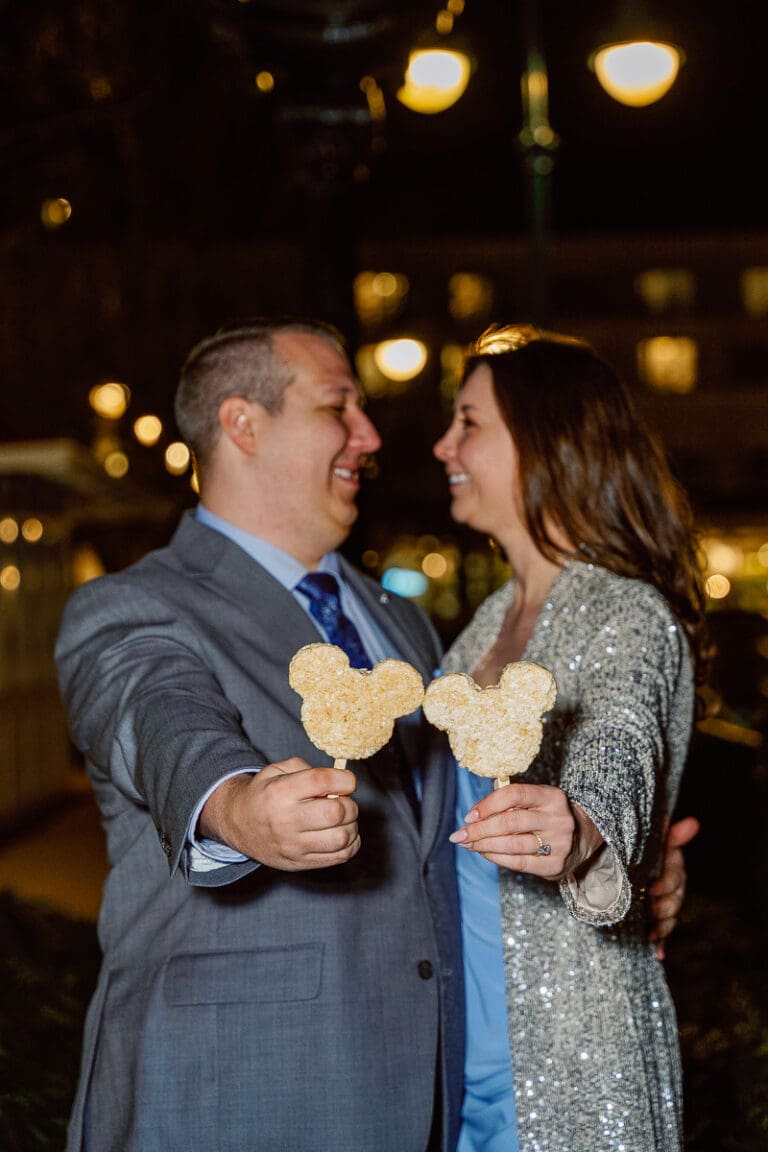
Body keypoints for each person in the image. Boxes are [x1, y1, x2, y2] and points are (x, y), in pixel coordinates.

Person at [55, 317, 691, 1152]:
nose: (374, 434)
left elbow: (592, 750)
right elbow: (159, 714)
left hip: (444, 1091)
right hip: (231, 1098)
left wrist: (615, 849)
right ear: (243, 425)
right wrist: (235, 808)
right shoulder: (136, 604)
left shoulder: (416, 631)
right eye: (339, 405)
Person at [434, 323, 710, 1152]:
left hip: (575, 1053)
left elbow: (619, 741)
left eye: (469, 422)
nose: (444, 443)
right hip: (462, 1050)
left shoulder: (623, 611)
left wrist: (589, 829)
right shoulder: (482, 625)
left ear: (547, 439)